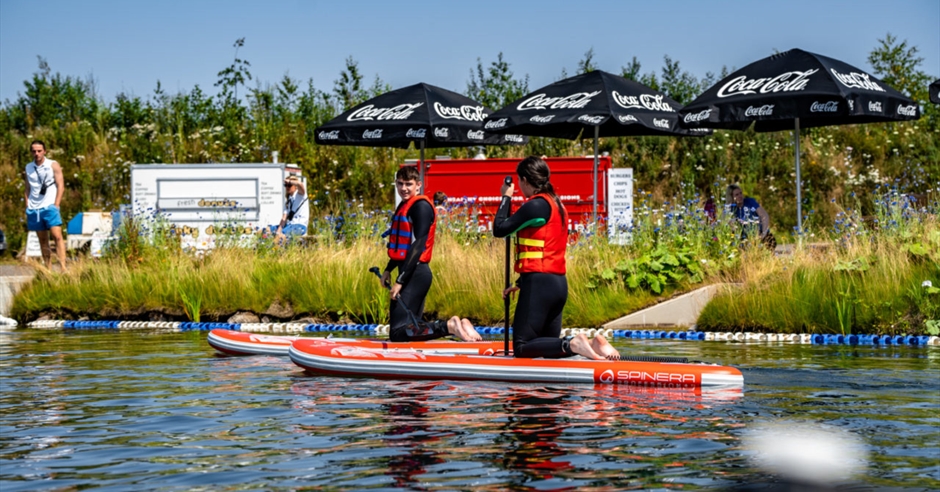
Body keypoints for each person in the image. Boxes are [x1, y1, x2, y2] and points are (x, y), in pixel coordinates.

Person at [493, 156, 619, 360]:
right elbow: (547, 249)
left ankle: (573, 343)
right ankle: (594, 346)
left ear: (524, 180)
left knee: (522, 347)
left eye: (519, 181)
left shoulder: (536, 205)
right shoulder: (557, 205)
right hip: (557, 284)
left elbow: (499, 229)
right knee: (547, 352)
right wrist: (521, 283)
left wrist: (506, 197)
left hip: (539, 284)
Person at [380, 166, 481, 342]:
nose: (404, 188)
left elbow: (418, 246)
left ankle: (449, 326)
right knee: (411, 327)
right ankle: (464, 327)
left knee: (397, 333)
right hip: (409, 272)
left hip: (416, 273)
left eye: (409, 184)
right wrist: (389, 269)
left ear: (418, 185)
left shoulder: (421, 207)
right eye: (400, 184)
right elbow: (402, 246)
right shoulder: (404, 206)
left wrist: (400, 281)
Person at [23, 140, 67, 272]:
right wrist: (27, 205)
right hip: (34, 208)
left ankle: (63, 268)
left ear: (44, 151)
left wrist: (56, 204)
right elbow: (27, 188)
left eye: (39, 151)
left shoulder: (53, 165)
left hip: (50, 206)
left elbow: (60, 185)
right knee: (42, 240)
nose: (36, 153)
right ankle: (48, 269)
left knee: (57, 236)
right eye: (34, 151)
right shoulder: (28, 167)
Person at [726, 184, 775, 249]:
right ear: (731, 197)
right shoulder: (730, 208)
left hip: (758, 233)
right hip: (743, 236)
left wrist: (763, 234)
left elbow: (764, 215)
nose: (740, 196)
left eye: (740, 193)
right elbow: (726, 223)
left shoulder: (750, 202)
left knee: (770, 241)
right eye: (736, 195)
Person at [273, 175, 309, 244]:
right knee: (266, 230)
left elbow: (300, 184)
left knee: (281, 236)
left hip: (300, 225)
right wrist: (277, 232)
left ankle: (276, 250)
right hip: (290, 225)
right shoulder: (288, 201)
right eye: (285, 185)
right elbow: (283, 219)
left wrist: (290, 181)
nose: (287, 187)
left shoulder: (301, 195)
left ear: (295, 186)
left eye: (289, 185)